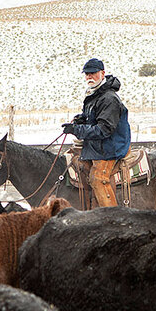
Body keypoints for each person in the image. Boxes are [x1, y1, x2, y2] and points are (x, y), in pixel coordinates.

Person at [62, 58, 131, 208]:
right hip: (97, 146)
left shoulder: (109, 99)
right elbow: (94, 119)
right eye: (87, 74)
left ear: (102, 73)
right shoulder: (94, 95)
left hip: (110, 147)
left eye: (93, 73)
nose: (89, 77)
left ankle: (112, 217)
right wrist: (81, 120)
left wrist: (77, 130)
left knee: (97, 178)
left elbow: (104, 129)